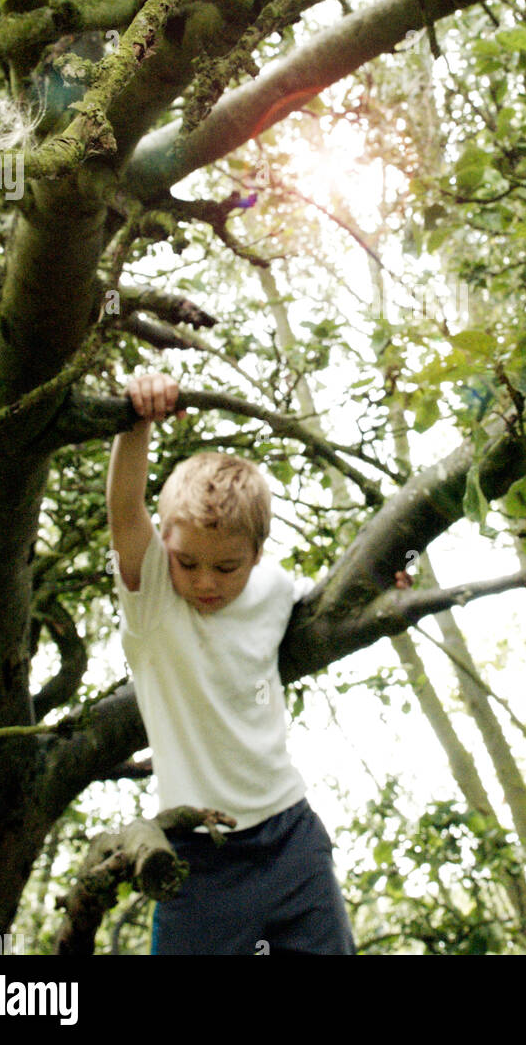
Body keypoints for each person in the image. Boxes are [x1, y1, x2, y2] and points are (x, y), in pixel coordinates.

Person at [106, 371, 355, 956]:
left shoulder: (273, 587)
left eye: (226, 568)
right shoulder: (154, 599)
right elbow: (123, 506)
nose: (204, 582)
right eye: (188, 561)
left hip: (291, 836)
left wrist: (391, 582)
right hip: (200, 856)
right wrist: (136, 419)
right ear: (164, 540)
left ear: (257, 555)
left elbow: (340, 601)